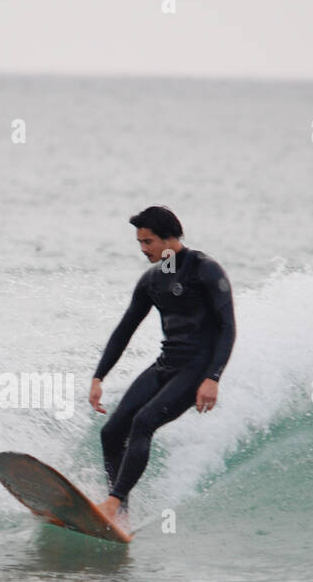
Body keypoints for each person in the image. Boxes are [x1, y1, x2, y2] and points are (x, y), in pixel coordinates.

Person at [90, 206, 236, 534]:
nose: (144, 249)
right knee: (111, 432)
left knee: (143, 422)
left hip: (197, 369)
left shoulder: (206, 271)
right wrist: (99, 376)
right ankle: (120, 513)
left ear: (171, 238)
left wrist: (213, 378)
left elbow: (228, 327)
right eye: (140, 242)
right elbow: (124, 330)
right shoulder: (153, 281)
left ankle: (113, 501)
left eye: (149, 241)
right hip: (166, 364)